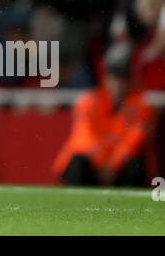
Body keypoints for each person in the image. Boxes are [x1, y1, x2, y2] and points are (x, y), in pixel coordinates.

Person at [53, 43, 152, 187]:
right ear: (105, 79)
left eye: (122, 78)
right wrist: (101, 162)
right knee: (77, 161)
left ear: (129, 81)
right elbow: (83, 137)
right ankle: (74, 205)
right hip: (92, 165)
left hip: (117, 168)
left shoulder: (140, 106)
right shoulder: (89, 101)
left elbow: (134, 139)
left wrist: (112, 164)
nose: (118, 84)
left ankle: (130, 208)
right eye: (114, 77)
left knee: (134, 166)